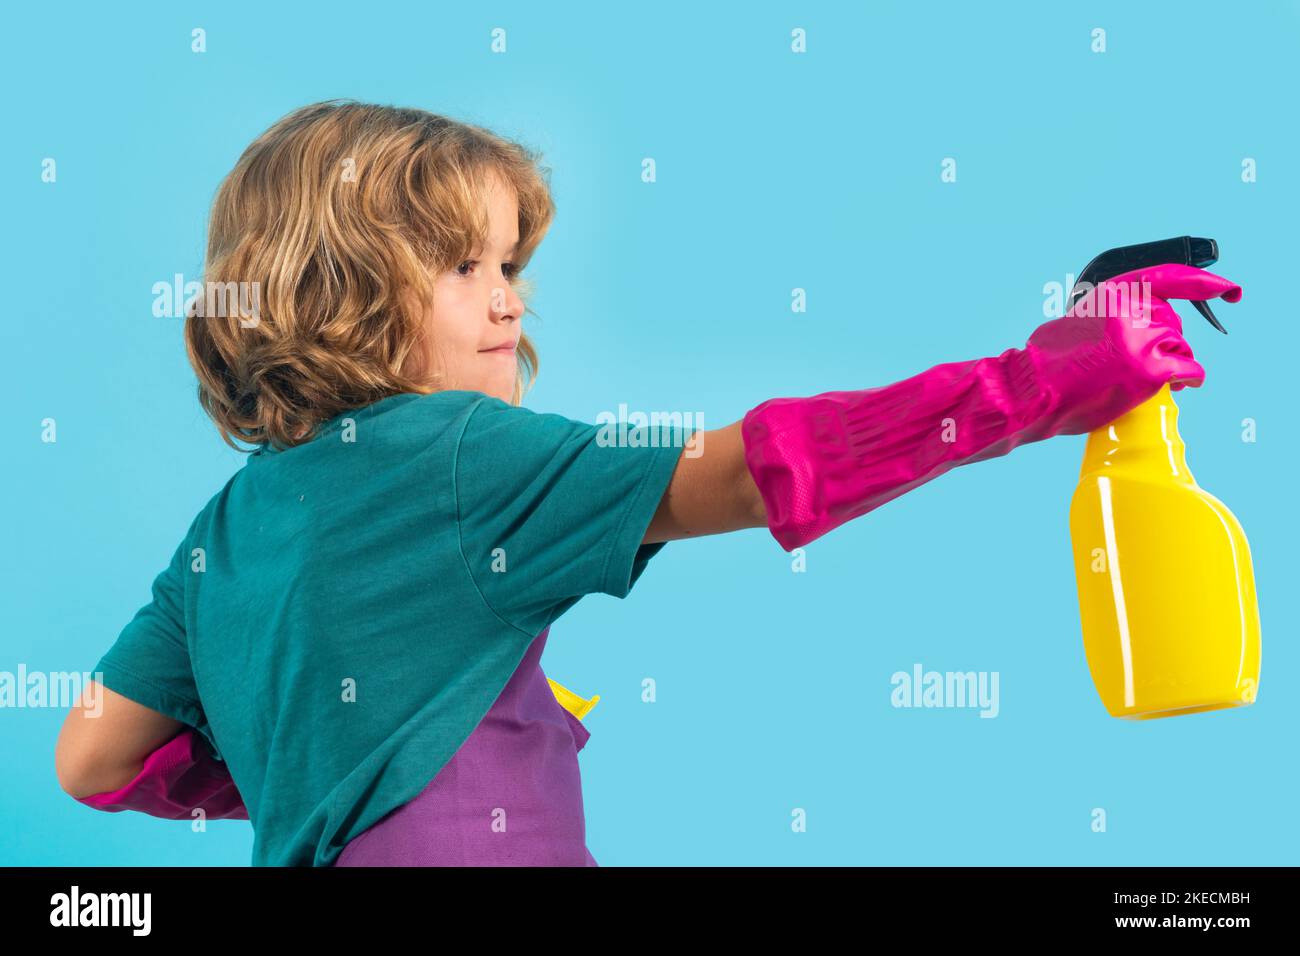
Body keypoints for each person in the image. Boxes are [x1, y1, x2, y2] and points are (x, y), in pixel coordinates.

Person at [53, 100, 1242, 867]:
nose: (510, 297)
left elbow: (92, 759)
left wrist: (322, 754)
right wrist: (1047, 377)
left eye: (511, 261)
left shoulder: (226, 525)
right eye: (463, 265)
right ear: (337, 284)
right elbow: (757, 466)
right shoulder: (464, 454)